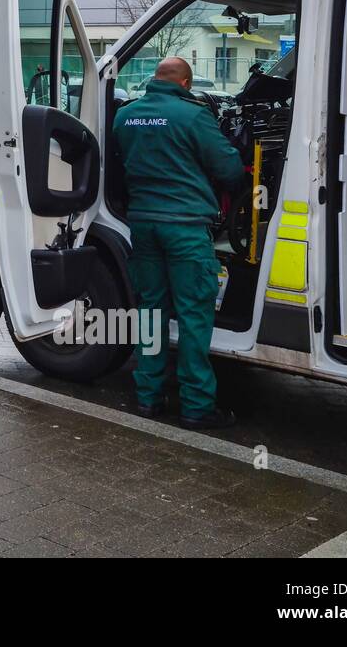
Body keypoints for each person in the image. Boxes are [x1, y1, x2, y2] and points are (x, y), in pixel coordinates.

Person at [110, 55, 247, 430]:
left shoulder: (126, 115)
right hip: (185, 229)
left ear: (157, 79)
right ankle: (197, 406)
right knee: (193, 315)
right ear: (186, 83)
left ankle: (148, 397)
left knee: (151, 311)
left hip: (144, 225)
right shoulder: (193, 115)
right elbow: (230, 169)